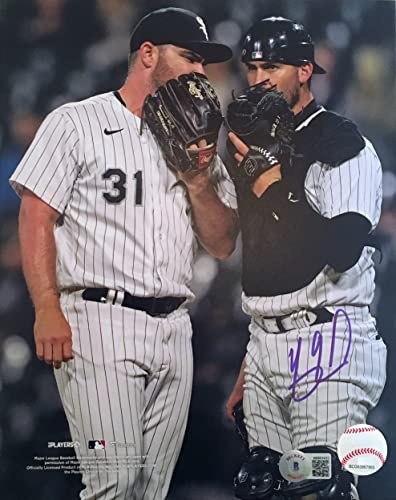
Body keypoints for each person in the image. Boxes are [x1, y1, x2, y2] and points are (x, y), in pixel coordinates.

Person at [10, 7, 238, 500]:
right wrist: (47, 306)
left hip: (176, 328)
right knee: (113, 483)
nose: (200, 72)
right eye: (190, 57)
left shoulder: (198, 142)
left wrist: (200, 182)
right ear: (148, 55)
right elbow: (35, 215)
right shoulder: (77, 122)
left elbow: (222, 243)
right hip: (99, 321)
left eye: (204, 63)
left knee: (149, 490)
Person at [225, 17, 387, 500]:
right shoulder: (251, 147)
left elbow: (341, 250)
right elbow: (261, 265)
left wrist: (273, 188)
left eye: (272, 66)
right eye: (251, 68)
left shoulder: (342, 141)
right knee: (264, 489)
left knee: (317, 485)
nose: (258, 80)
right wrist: (249, 364)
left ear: (304, 70)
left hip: (329, 335)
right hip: (265, 342)